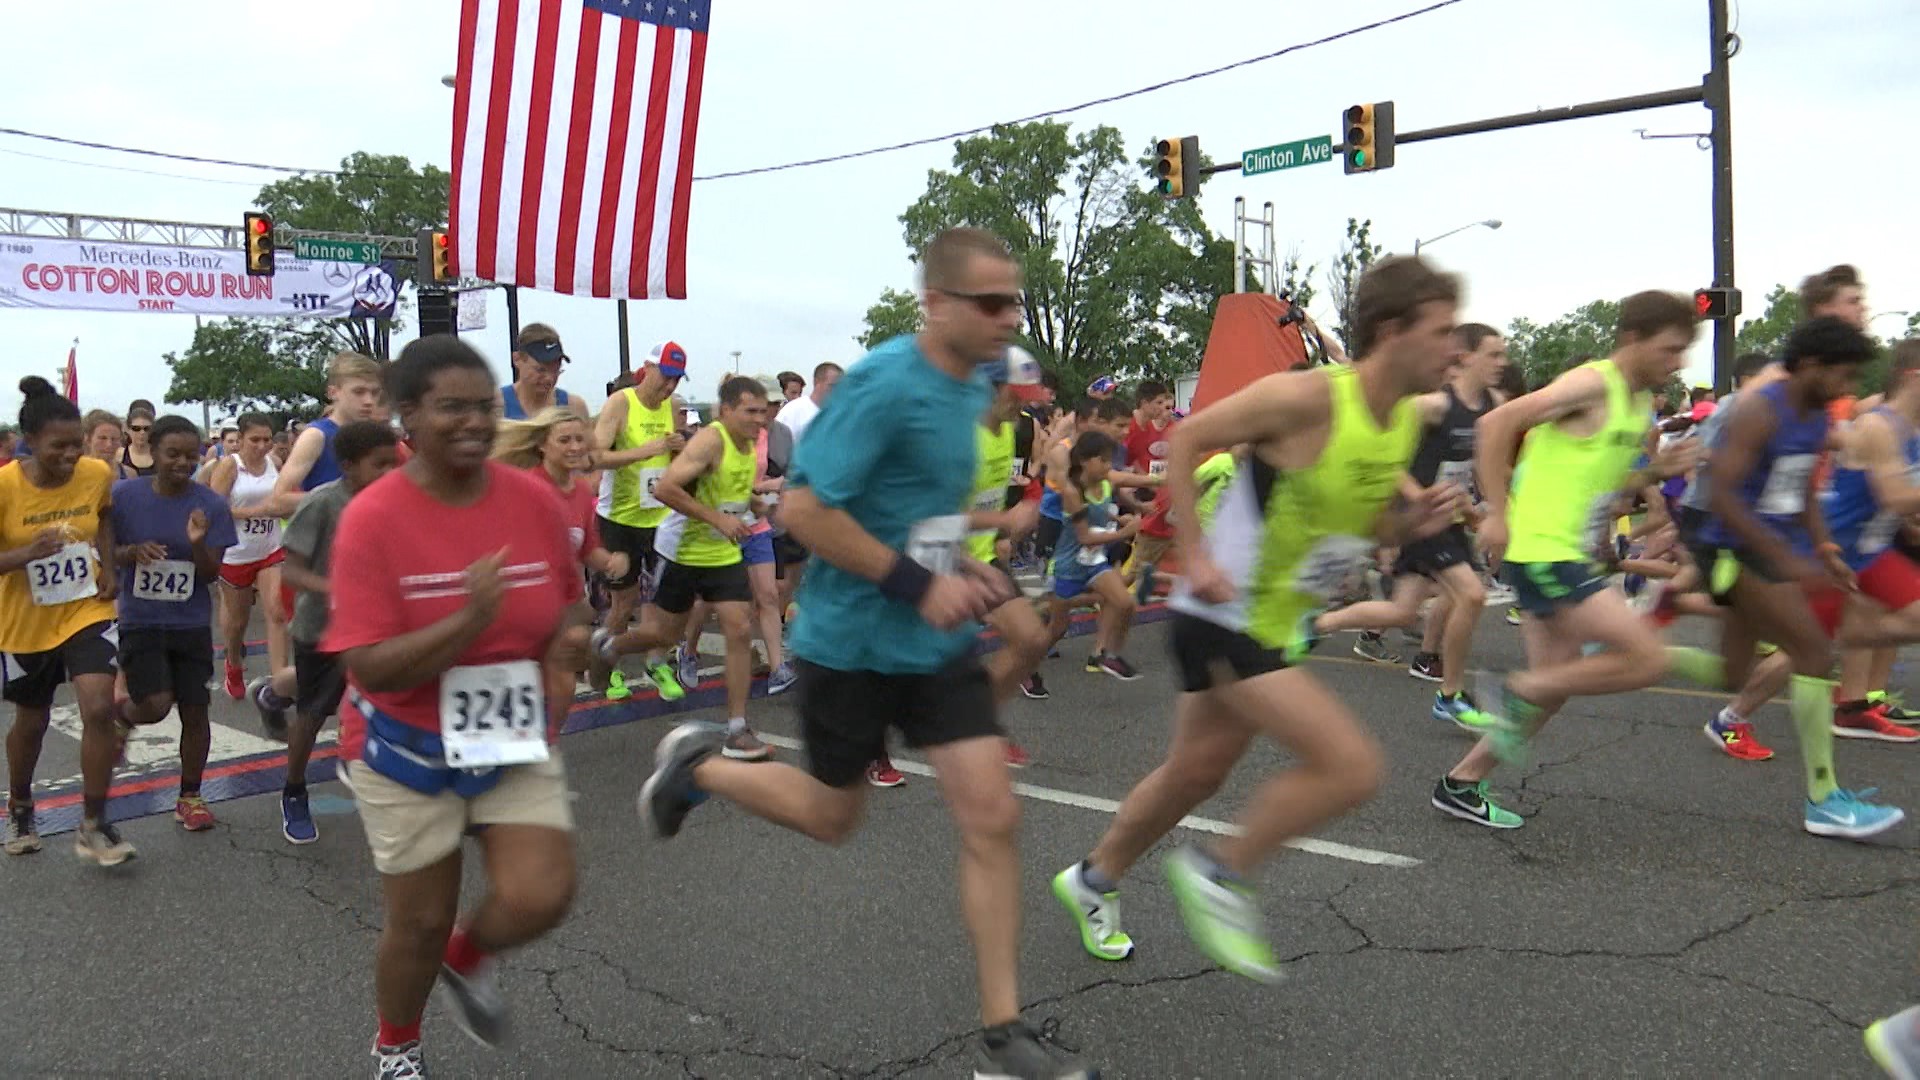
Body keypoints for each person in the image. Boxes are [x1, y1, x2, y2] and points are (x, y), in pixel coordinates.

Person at [638, 227, 1094, 1079]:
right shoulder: (883, 385)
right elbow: (805, 514)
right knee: (831, 817)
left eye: (1013, 303)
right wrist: (921, 584)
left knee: (993, 815)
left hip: (935, 641)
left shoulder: (972, 394)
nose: (1007, 320)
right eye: (989, 303)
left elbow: (917, 514)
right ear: (937, 305)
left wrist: (961, 566)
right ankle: (701, 768)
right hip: (851, 643)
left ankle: (1005, 1038)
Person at [1050, 256, 1464, 981]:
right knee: (1351, 765)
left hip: (1275, 621)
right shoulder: (1305, 400)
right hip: (1224, 613)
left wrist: (1409, 516)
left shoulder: (1397, 421)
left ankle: (1091, 879)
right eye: (1442, 331)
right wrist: (1198, 553)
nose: (1452, 347)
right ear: (1393, 330)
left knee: (1194, 775)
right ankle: (1221, 871)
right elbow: (1185, 440)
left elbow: (1359, 521)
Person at [326, 336, 589, 1078]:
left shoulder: (530, 498)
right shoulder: (373, 518)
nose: (474, 421)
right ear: (408, 414)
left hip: (506, 728)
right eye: (452, 408)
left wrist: (574, 643)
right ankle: (397, 1046)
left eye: (482, 406)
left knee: (542, 893)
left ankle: (467, 960)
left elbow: (565, 604)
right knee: (418, 921)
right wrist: (468, 621)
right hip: (402, 740)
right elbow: (368, 663)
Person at [1433, 292, 1703, 830]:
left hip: (1566, 550)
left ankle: (1460, 784)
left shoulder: (1634, 402)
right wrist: (1498, 513)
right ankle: (1516, 688)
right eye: (1671, 349)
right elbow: (1496, 426)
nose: (1679, 363)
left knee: (1553, 686)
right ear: (1633, 339)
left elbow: (1602, 481)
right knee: (1644, 658)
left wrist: (1654, 472)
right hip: (1543, 551)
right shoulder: (1592, 384)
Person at [1680, 317, 1903, 837]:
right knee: (1813, 652)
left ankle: (1635, 651)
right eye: (1843, 375)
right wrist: (1782, 555)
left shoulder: (1817, 414)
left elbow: (1802, 487)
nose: (1849, 388)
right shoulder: (1761, 410)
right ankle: (1823, 797)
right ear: (1809, 365)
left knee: (1732, 675)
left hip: (1771, 548)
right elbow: (1723, 495)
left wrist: (1823, 545)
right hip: (1733, 548)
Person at [1312, 323, 1510, 731]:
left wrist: (1488, 514)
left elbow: (1484, 466)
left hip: (1450, 518)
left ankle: (1315, 624)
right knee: (1470, 594)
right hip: (1419, 517)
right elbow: (1386, 452)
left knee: (1402, 611)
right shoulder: (1433, 405)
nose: (1501, 363)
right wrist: (1415, 494)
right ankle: (1449, 696)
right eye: (1493, 354)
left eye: (1503, 355)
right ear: (1465, 356)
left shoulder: (1494, 405)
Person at [591, 376, 774, 760]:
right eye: (751, 411)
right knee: (661, 634)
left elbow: (729, 490)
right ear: (726, 411)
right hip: (682, 551)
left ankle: (737, 729)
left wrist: (755, 505)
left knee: (738, 628)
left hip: (722, 555)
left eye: (763, 411)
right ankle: (610, 646)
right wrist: (716, 519)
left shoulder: (750, 442)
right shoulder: (711, 439)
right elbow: (665, 488)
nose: (761, 419)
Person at [252, 421, 401, 844]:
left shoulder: (392, 504)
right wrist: (335, 587)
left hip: (377, 625)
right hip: (323, 627)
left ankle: (382, 780)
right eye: (380, 464)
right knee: (314, 713)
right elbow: (294, 570)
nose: (391, 472)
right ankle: (294, 790)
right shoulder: (322, 503)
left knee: (388, 703)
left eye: (395, 463)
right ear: (349, 465)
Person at [1, 377, 126, 863]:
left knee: (99, 707)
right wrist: (25, 553)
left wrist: (110, 567)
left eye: (77, 444)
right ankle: (20, 803)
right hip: (25, 620)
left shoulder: (97, 473)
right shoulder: (7, 486)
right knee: (31, 721)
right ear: (29, 442)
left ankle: (93, 823)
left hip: (85, 607)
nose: (71, 454)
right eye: (59, 446)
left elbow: (106, 516)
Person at [108, 415, 238, 832]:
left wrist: (198, 544)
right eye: (172, 454)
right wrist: (130, 552)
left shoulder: (211, 505)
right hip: (142, 619)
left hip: (190, 624)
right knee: (154, 704)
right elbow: (105, 549)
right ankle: (124, 716)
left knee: (196, 712)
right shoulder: (125, 496)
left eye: (190, 454)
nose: (182, 462)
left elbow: (211, 574)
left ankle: (191, 796)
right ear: (155, 453)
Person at [591, 342, 690, 701]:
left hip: (659, 518)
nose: (669, 388)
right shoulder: (621, 403)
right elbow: (596, 456)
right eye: (665, 378)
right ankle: (609, 665)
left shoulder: (672, 407)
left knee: (662, 601)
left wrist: (680, 449)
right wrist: (643, 452)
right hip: (620, 518)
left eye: (677, 380)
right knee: (624, 602)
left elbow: (677, 457)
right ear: (647, 370)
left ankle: (655, 662)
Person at [1040, 431, 1142, 679]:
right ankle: (1026, 663)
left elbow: (1099, 512)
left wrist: (1118, 518)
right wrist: (1123, 532)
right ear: (1085, 461)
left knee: (1125, 603)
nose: (1109, 466)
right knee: (1058, 628)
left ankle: (1109, 656)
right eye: (1104, 460)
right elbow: (1084, 536)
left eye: (1110, 461)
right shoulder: (1072, 492)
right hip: (1068, 566)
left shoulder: (1105, 484)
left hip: (1094, 562)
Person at [208, 414, 289, 702]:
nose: (262, 446)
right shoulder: (230, 466)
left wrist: (281, 509)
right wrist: (251, 513)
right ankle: (233, 661)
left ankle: (280, 679)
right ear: (240, 439)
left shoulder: (274, 464)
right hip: (236, 552)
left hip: (270, 547)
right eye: (255, 439)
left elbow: (281, 499)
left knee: (277, 609)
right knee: (237, 622)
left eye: (267, 439)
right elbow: (213, 510)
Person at [497, 323, 589, 422]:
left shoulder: (574, 408)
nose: (549, 378)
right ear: (517, 360)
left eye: (556, 370)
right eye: (540, 370)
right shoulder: (495, 406)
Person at [773, 360, 842, 446]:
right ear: (816, 382)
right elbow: (777, 447)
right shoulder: (792, 410)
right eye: (833, 385)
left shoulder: (840, 414)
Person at [83, 410, 137, 480]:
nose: (109, 444)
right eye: (102, 438)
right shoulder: (75, 474)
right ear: (88, 439)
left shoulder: (130, 474)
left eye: (114, 439)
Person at [121, 405, 156, 477]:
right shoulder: (119, 455)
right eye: (136, 428)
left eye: (146, 428)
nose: (142, 432)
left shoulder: (160, 454)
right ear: (128, 429)